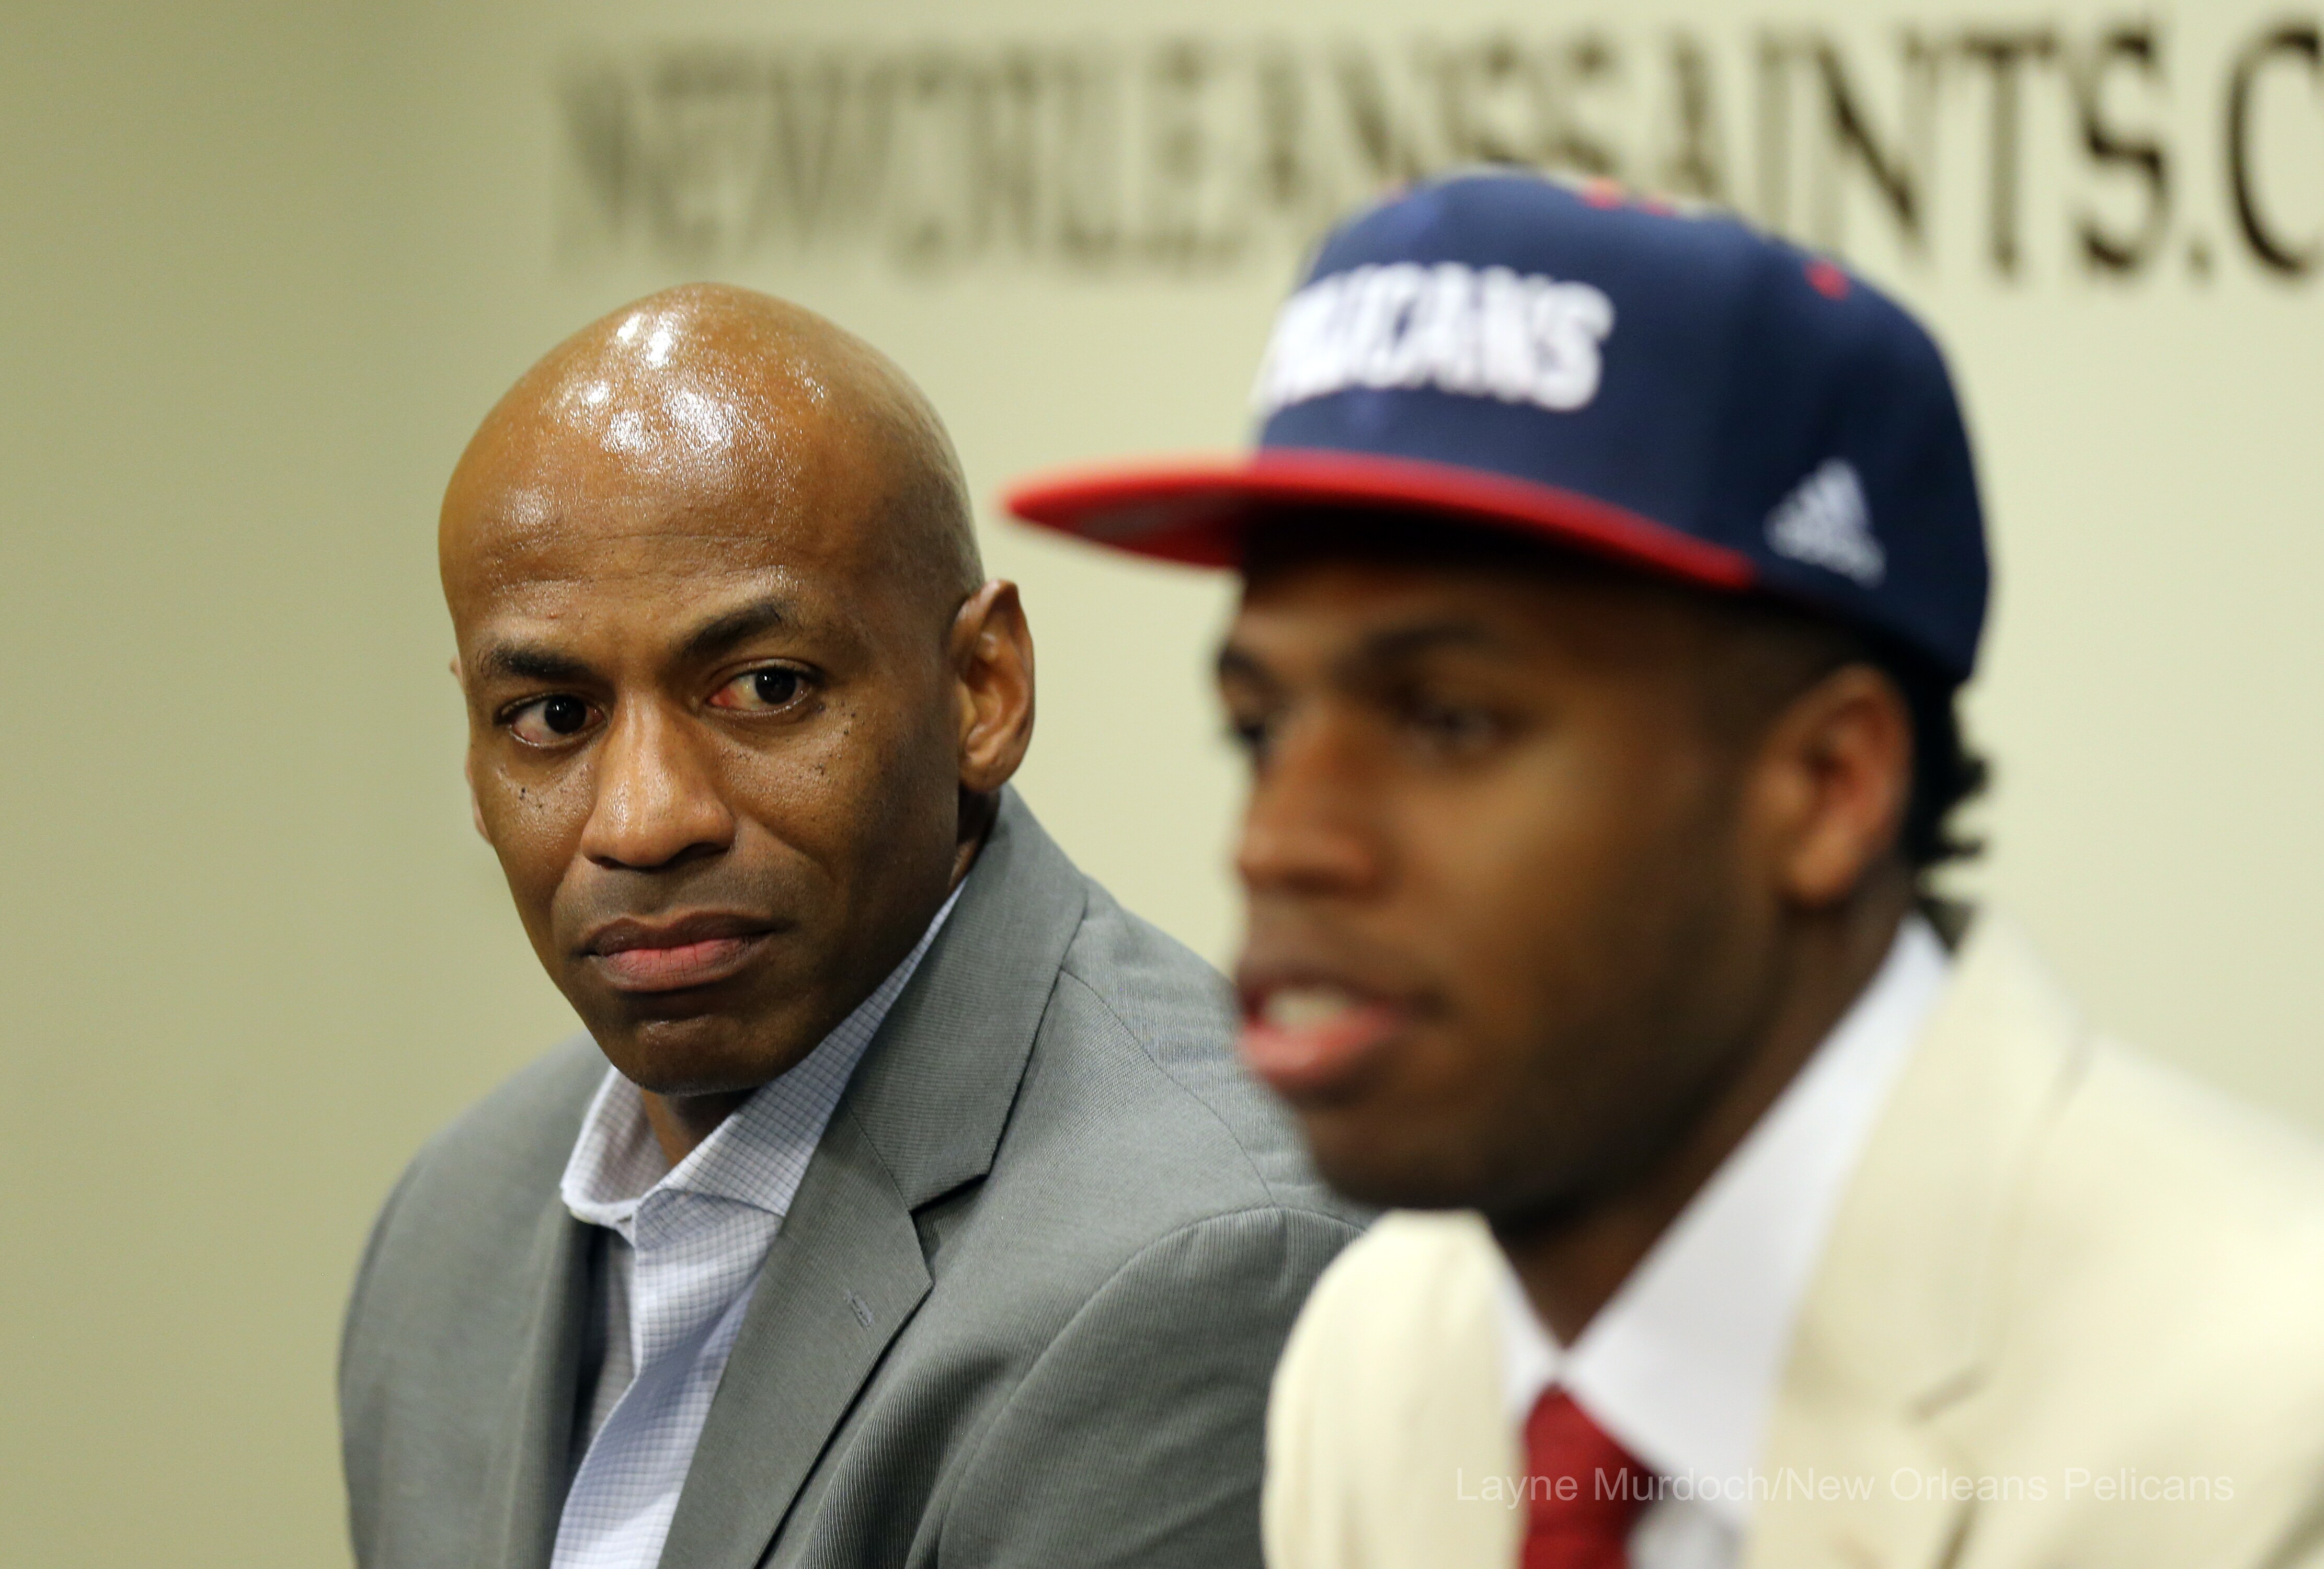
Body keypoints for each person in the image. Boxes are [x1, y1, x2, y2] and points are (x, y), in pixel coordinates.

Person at [1006, 172, 2324, 1569]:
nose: (1276, 840)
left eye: (1447, 721)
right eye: (1258, 729)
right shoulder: (1383, 1346)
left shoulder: (2260, 1417)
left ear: (1825, 788)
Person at [339, 284, 1360, 1569]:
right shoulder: (451, 1226)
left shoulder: (1192, 1270)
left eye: (765, 689)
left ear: (982, 690)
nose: (645, 820)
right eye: (552, 716)